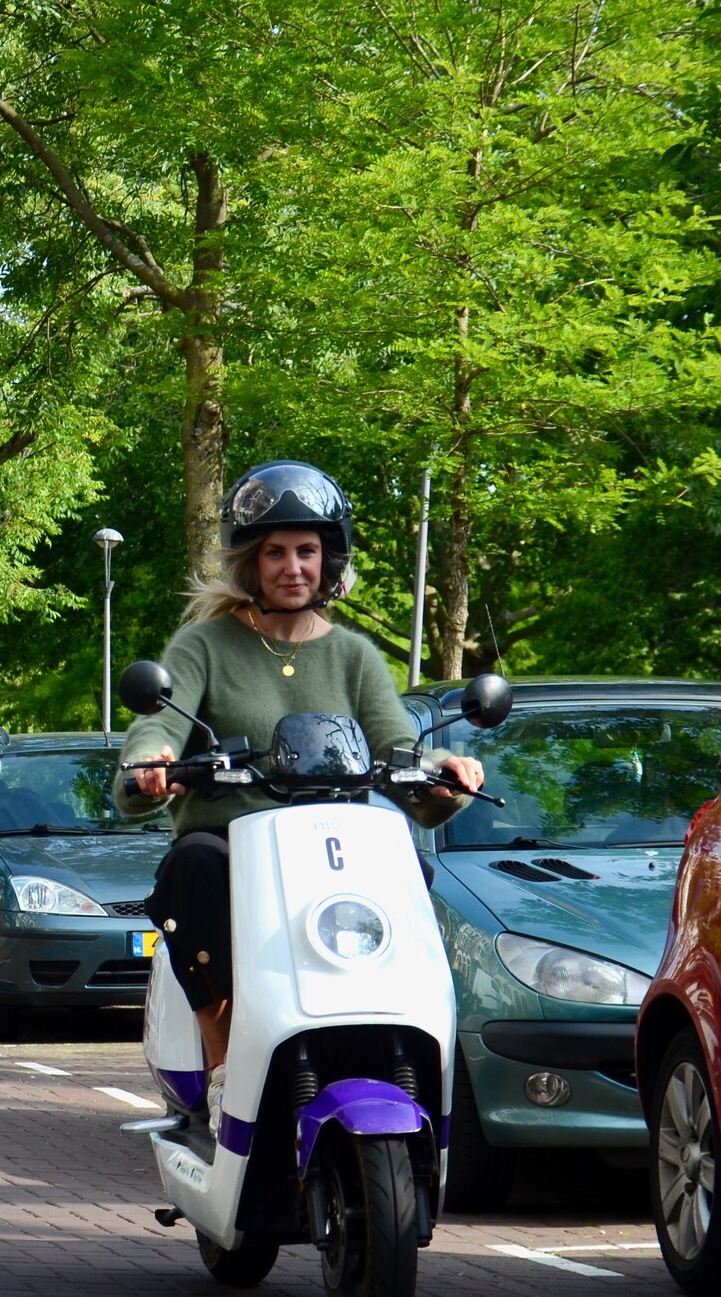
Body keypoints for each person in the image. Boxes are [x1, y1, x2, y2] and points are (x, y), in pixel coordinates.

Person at [115, 461, 486, 1116]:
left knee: (411, 872)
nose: (293, 566)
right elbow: (160, 724)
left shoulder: (354, 655)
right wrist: (156, 760)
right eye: (275, 552)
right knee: (191, 866)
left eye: (307, 551)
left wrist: (443, 775)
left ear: (329, 560)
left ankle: (391, 1040)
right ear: (249, 563)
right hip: (234, 845)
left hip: (333, 848)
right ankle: (224, 1051)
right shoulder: (204, 646)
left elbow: (398, 748)